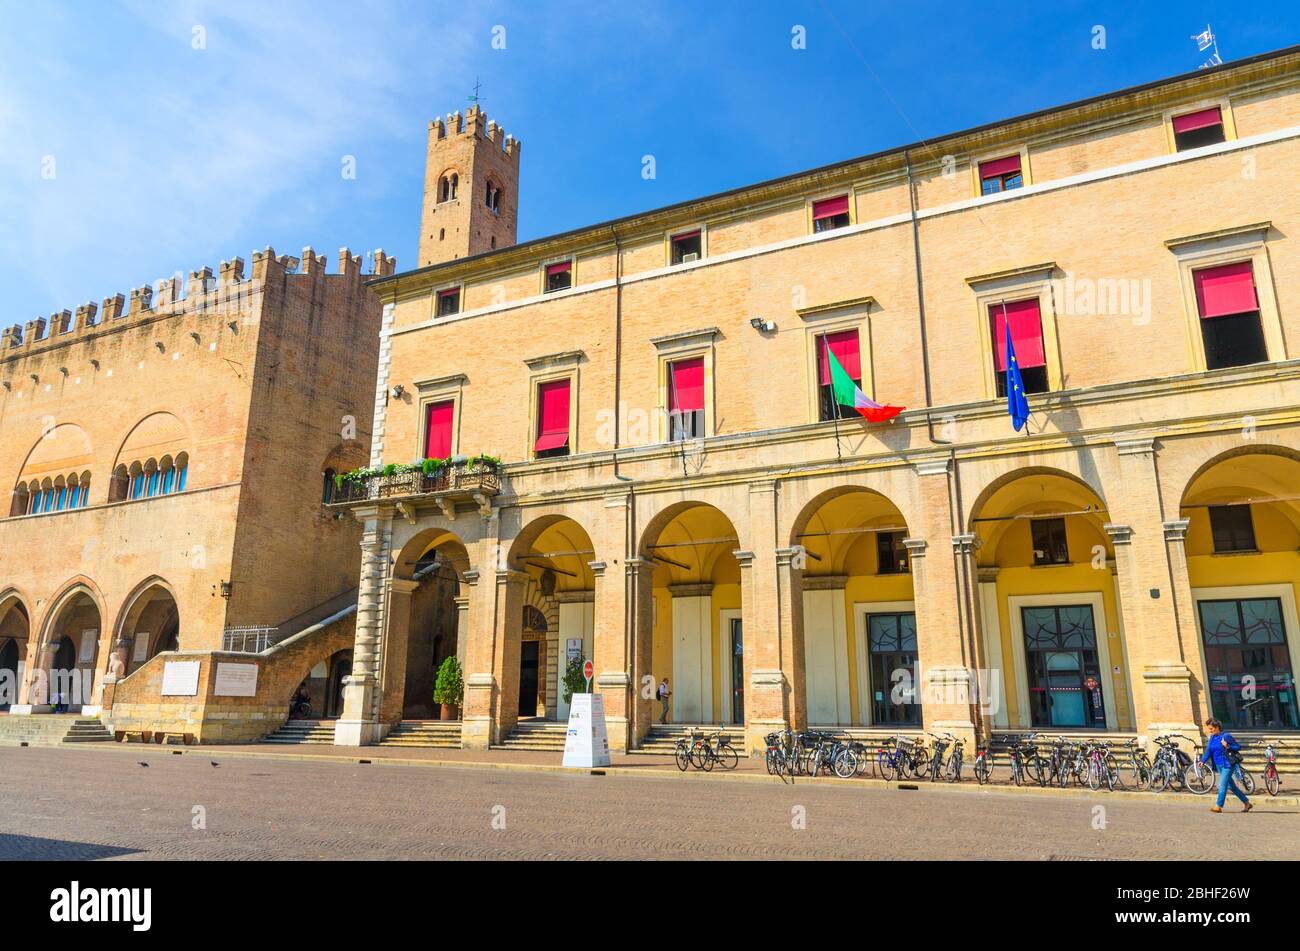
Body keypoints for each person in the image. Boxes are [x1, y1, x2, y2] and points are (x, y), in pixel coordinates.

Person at [1201, 717, 1253, 813]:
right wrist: (1202, 761)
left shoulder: (1226, 736)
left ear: (1217, 727)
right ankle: (1247, 803)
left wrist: (1227, 746)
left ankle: (1218, 806)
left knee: (1222, 785)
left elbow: (1237, 747)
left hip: (1228, 765)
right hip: (1218, 765)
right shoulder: (1212, 737)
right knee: (1231, 787)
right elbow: (1208, 750)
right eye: (1209, 729)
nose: (1210, 731)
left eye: (1211, 728)